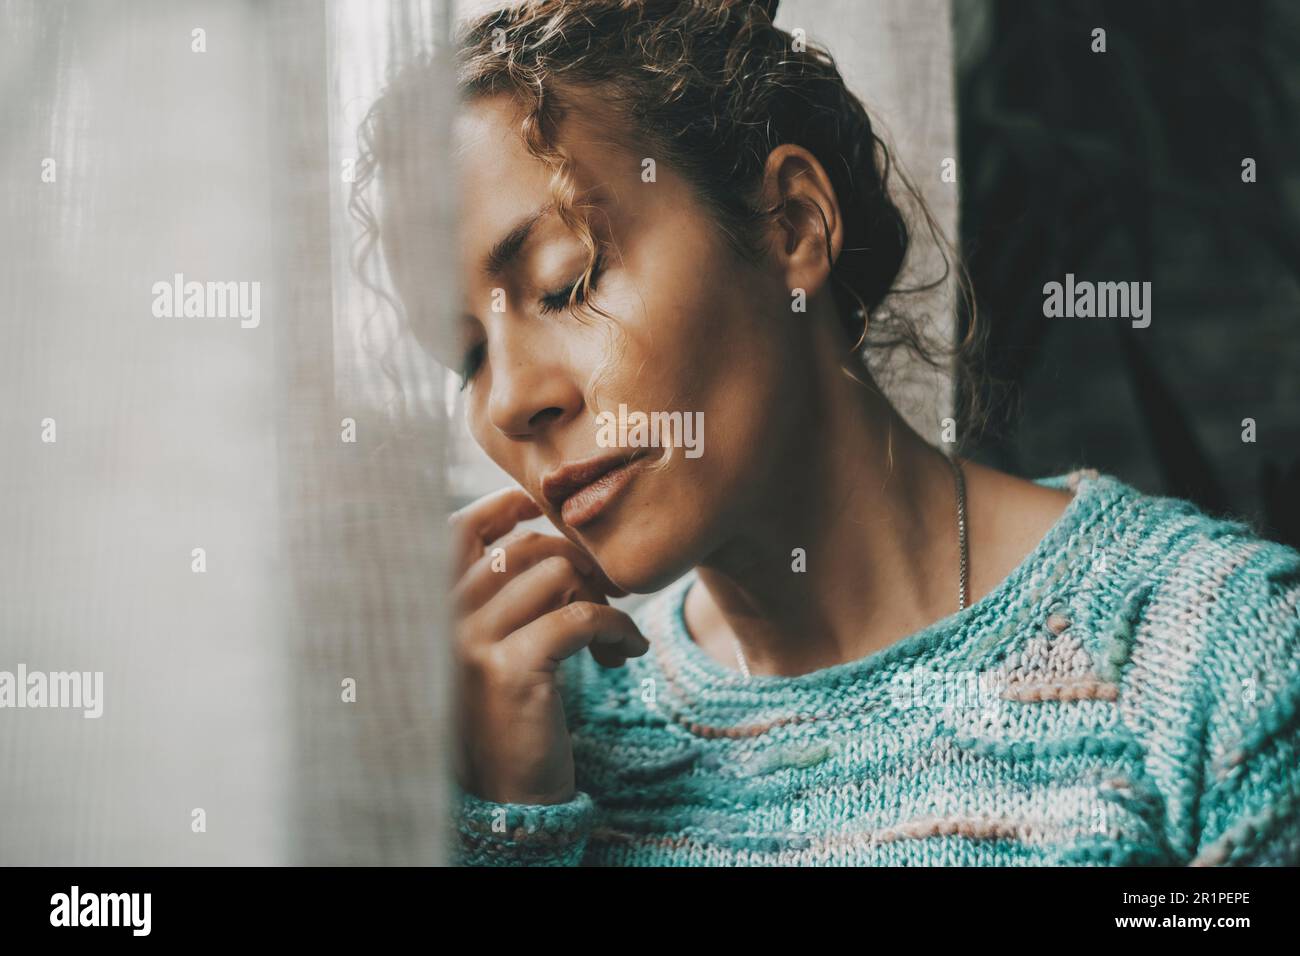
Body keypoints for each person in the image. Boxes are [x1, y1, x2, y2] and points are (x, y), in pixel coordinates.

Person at [353, 0, 1300, 865]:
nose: (511, 401)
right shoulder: (539, 734)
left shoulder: (1207, 655)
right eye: (467, 355)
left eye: (569, 283)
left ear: (792, 224)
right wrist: (514, 826)